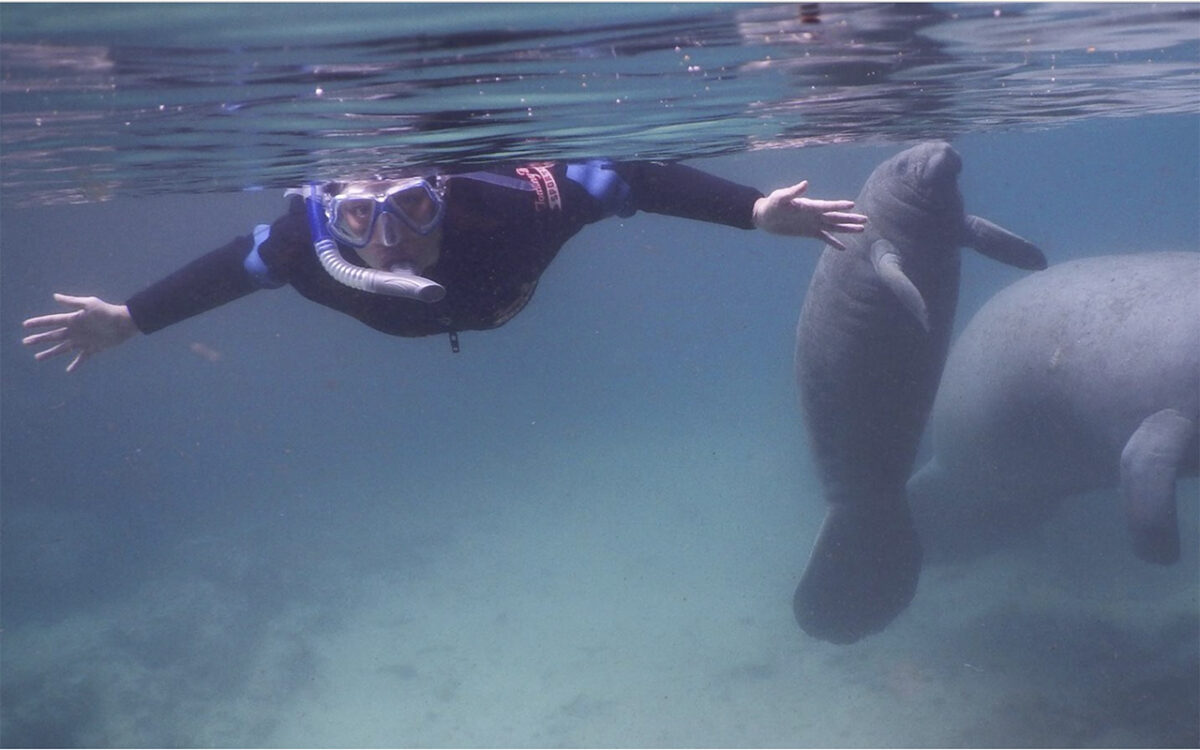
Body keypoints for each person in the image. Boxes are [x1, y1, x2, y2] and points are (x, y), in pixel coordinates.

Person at [22, 159, 867, 369]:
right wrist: (132, 318)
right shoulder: (303, 248)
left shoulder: (514, 208)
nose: (387, 236)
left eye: (413, 207)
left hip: (503, 296)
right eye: (359, 214)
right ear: (330, 211)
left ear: (443, 195)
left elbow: (628, 177)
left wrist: (752, 211)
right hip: (458, 316)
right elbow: (224, 272)